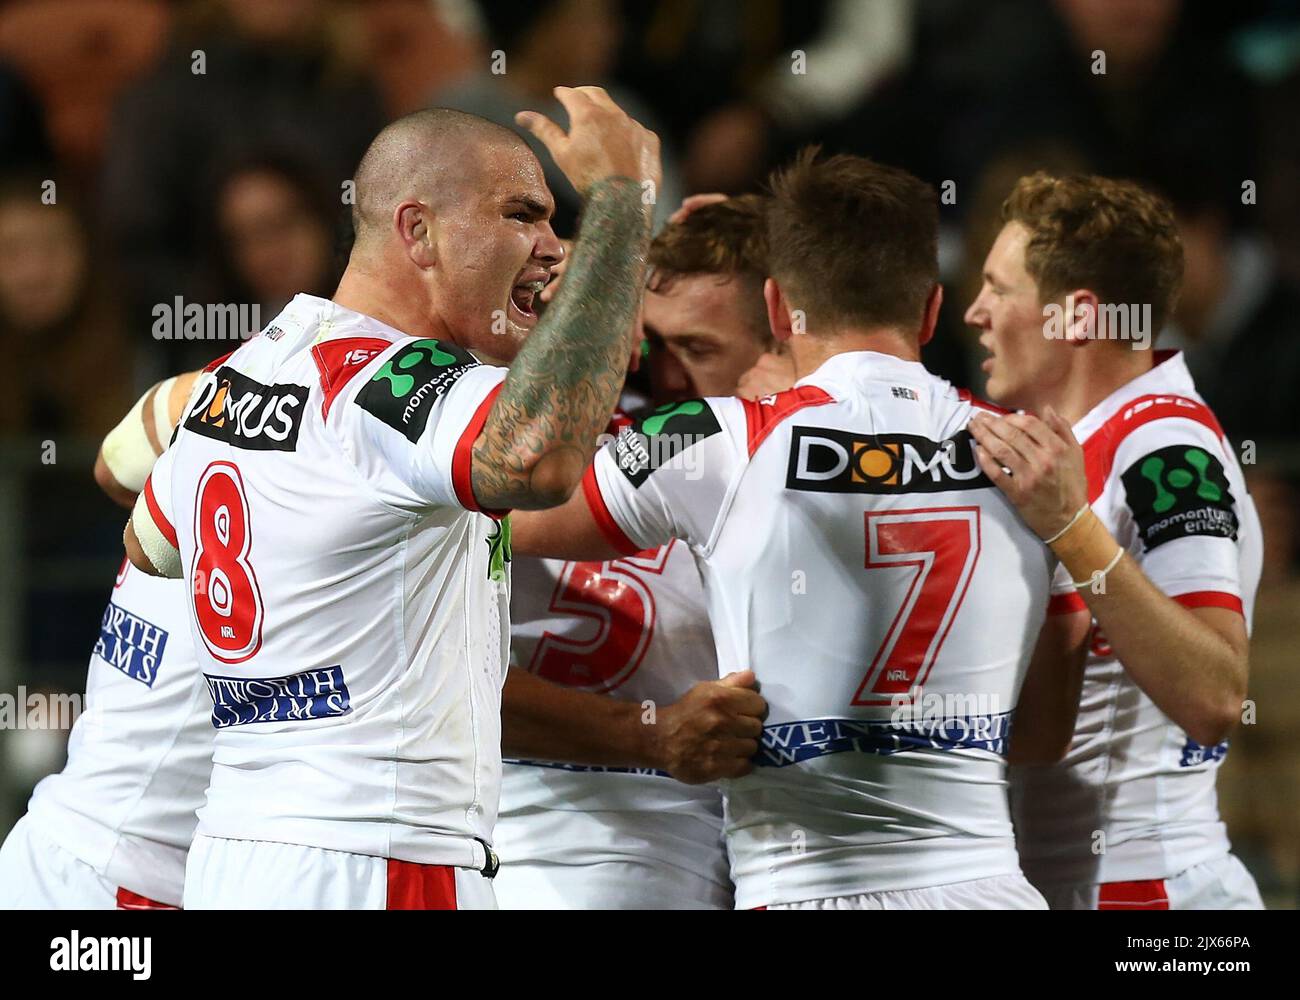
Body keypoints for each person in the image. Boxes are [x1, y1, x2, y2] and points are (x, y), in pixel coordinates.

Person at [509, 149, 1090, 910]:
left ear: (780, 311)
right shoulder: (1038, 460)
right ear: (931, 311)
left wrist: (593, 285)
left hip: (801, 889)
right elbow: (1043, 740)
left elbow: (502, 495)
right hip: (988, 888)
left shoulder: (714, 438)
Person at [125, 93, 660, 910]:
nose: (555, 248)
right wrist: (623, 206)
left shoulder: (241, 373)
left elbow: (150, 545)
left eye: (560, 221)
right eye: (524, 214)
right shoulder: (389, 380)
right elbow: (545, 457)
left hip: (238, 857)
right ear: (418, 231)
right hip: (377, 860)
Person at [963, 172, 1264, 910]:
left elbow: (1214, 693)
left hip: (1153, 893)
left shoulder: (1165, 444)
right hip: (1077, 884)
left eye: (1000, 289)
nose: (975, 313)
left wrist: (1072, 531)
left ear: (1077, 317)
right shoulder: (1083, 444)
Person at [496, 196, 771, 909]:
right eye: (655, 341)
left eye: (699, 348)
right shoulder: (486, 437)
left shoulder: (756, 448)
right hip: (492, 836)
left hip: (675, 844)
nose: (670, 373)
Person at [0, 374, 209, 910]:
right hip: (117, 880)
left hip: (59, 852)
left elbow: (114, 467)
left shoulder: (232, 383)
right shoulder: (330, 434)